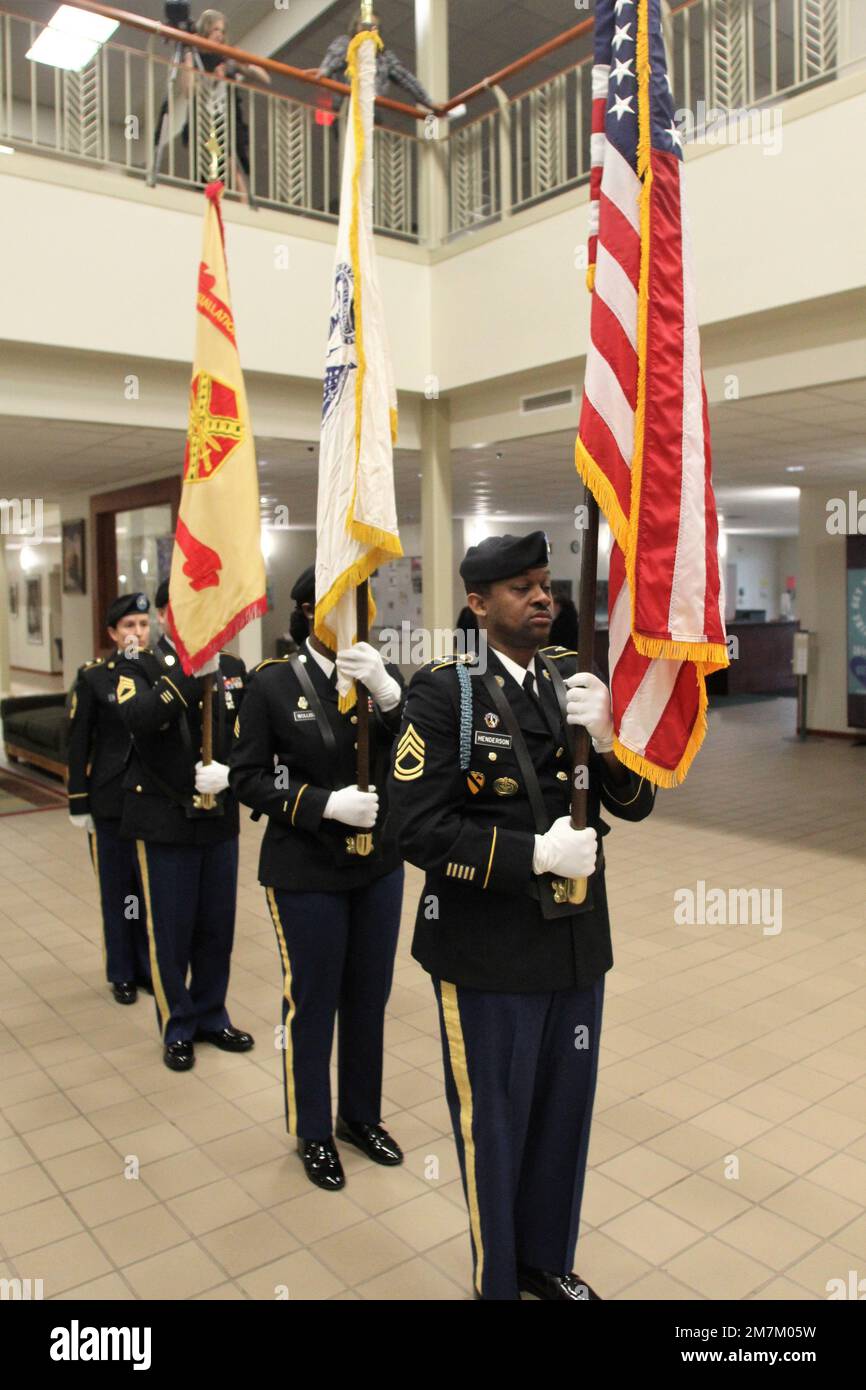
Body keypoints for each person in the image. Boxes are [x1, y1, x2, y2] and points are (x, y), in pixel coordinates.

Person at [388, 531, 656, 1300]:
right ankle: (497, 1280)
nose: (543, 598)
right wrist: (533, 855)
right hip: (487, 948)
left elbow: (634, 805)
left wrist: (609, 741)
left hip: (574, 940)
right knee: (496, 1126)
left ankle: (545, 1260)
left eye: (546, 584)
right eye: (520, 588)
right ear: (478, 603)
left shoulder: (573, 676)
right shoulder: (445, 692)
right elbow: (418, 828)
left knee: (562, 1115)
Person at [229, 565, 406, 1191]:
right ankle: (313, 1129)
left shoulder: (378, 676)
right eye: (341, 607)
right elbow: (248, 775)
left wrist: (389, 696)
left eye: (364, 605)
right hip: (306, 867)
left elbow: (414, 756)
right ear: (308, 612)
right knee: (314, 999)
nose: (359, 619)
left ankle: (360, 1115)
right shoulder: (272, 685)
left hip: (378, 865)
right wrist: (322, 804)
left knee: (369, 995)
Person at [114, 579, 253, 1071]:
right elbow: (140, 717)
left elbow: (250, 739)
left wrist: (232, 773)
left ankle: (212, 1013)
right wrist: (192, 675)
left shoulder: (234, 668)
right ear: (167, 615)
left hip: (218, 818)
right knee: (171, 931)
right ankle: (179, 1024)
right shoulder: (138, 665)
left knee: (217, 927)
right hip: (166, 817)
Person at [66, 593, 153, 1006]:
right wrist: (78, 801)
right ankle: (121, 969)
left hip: (153, 799)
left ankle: (145, 964)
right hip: (110, 801)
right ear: (113, 634)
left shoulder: (158, 672)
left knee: (147, 891)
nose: (137, 632)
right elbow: (78, 742)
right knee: (119, 891)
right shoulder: (94, 678)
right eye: (129, 626)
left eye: (143, 624)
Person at [181, 10, 271, 206]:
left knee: (232, 157)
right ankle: (219, 201)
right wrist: (189, 53)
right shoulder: (195, 56)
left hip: (226, 116)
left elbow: (265, 77)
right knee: (212, 161)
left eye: (222, 31)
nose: (219, 35)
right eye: (214, 29)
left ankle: (245, 201)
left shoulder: (228, 57)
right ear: (205, 30)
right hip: (204, 117)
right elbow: (188, 90)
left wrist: (242, 62)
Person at [314, 12, 435, 113]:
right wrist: (324, 71)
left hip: (371, 108)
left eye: (372, 26)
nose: (367, 29)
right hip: (346, 105)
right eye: (364, 25)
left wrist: (428, 102)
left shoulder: (384, 56)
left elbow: (406, 78)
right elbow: (332, 60)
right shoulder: (346, 43)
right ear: (356, 27)